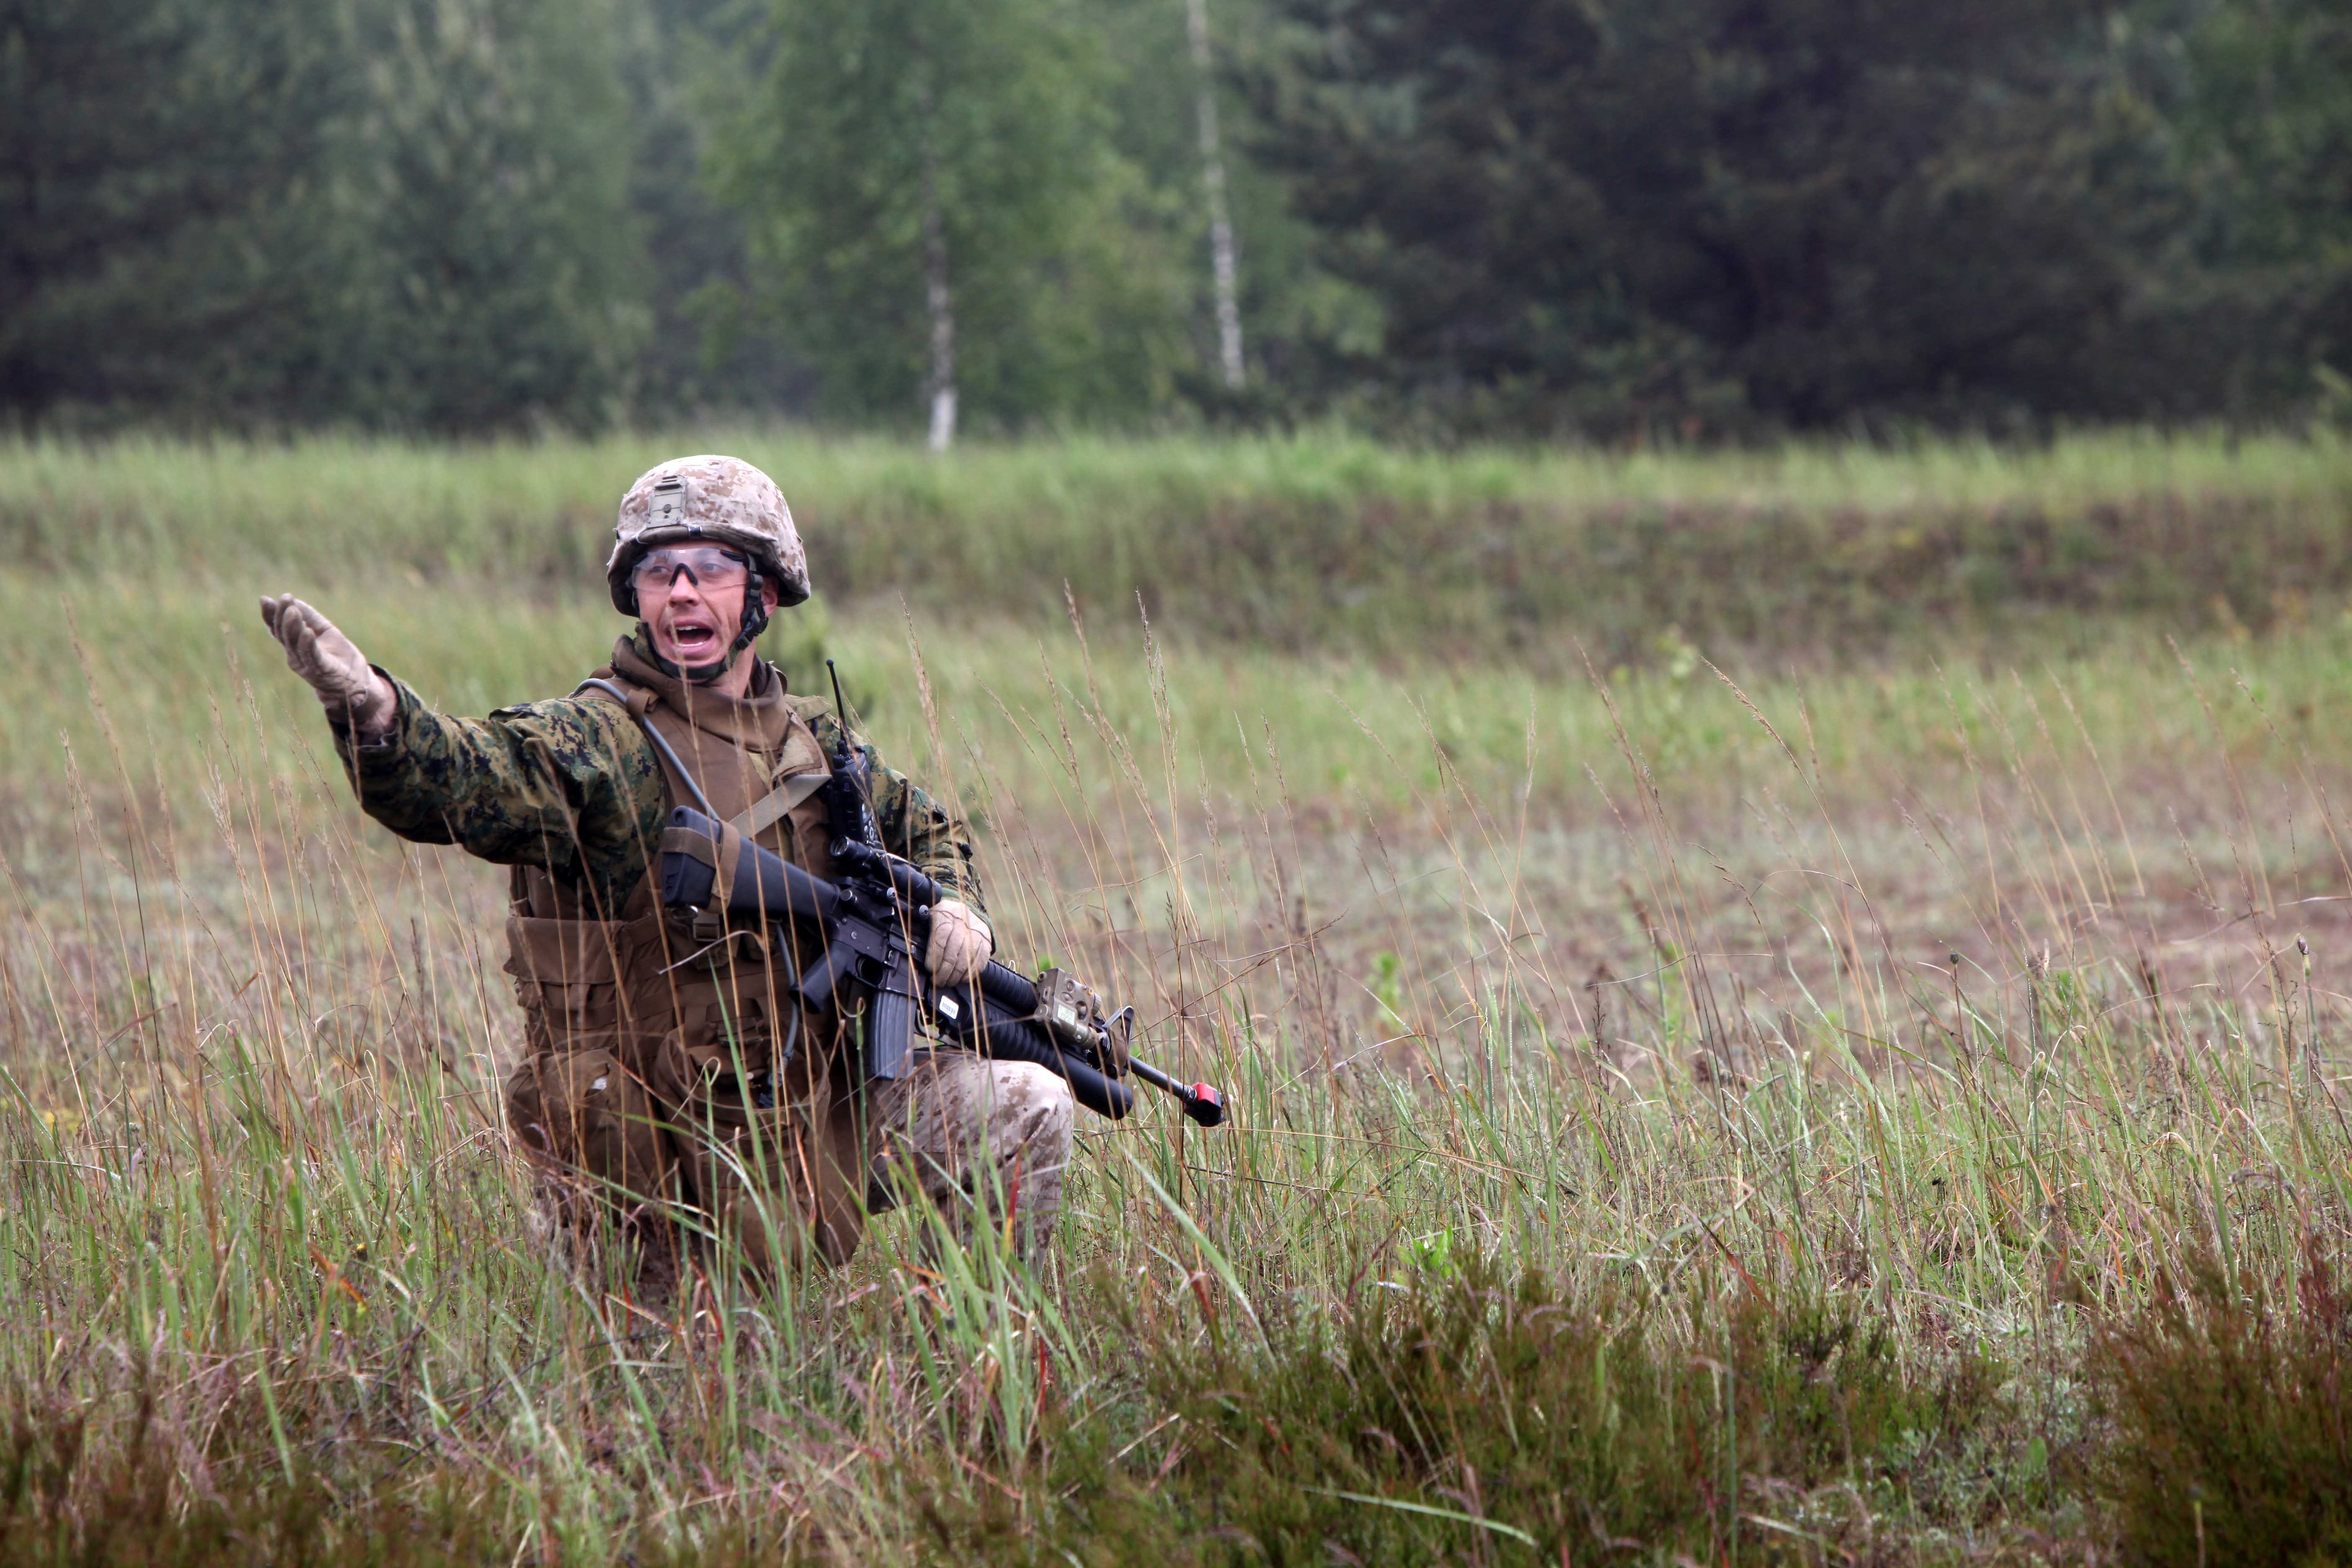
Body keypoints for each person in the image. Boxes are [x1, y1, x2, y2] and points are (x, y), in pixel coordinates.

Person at [259, 455, 1075, 1290]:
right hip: (657, 1158)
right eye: (658, 572)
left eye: (712, 568)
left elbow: (928, 825)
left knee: (1032, 1103)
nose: (682, 591)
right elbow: (468, 779)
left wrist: (955, 907)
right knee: (709, 1399)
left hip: (818, 1114)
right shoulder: (599, 742)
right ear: (637, 595)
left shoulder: (818, 742)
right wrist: (377, 714)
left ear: (764, 592)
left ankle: (975, 1378)